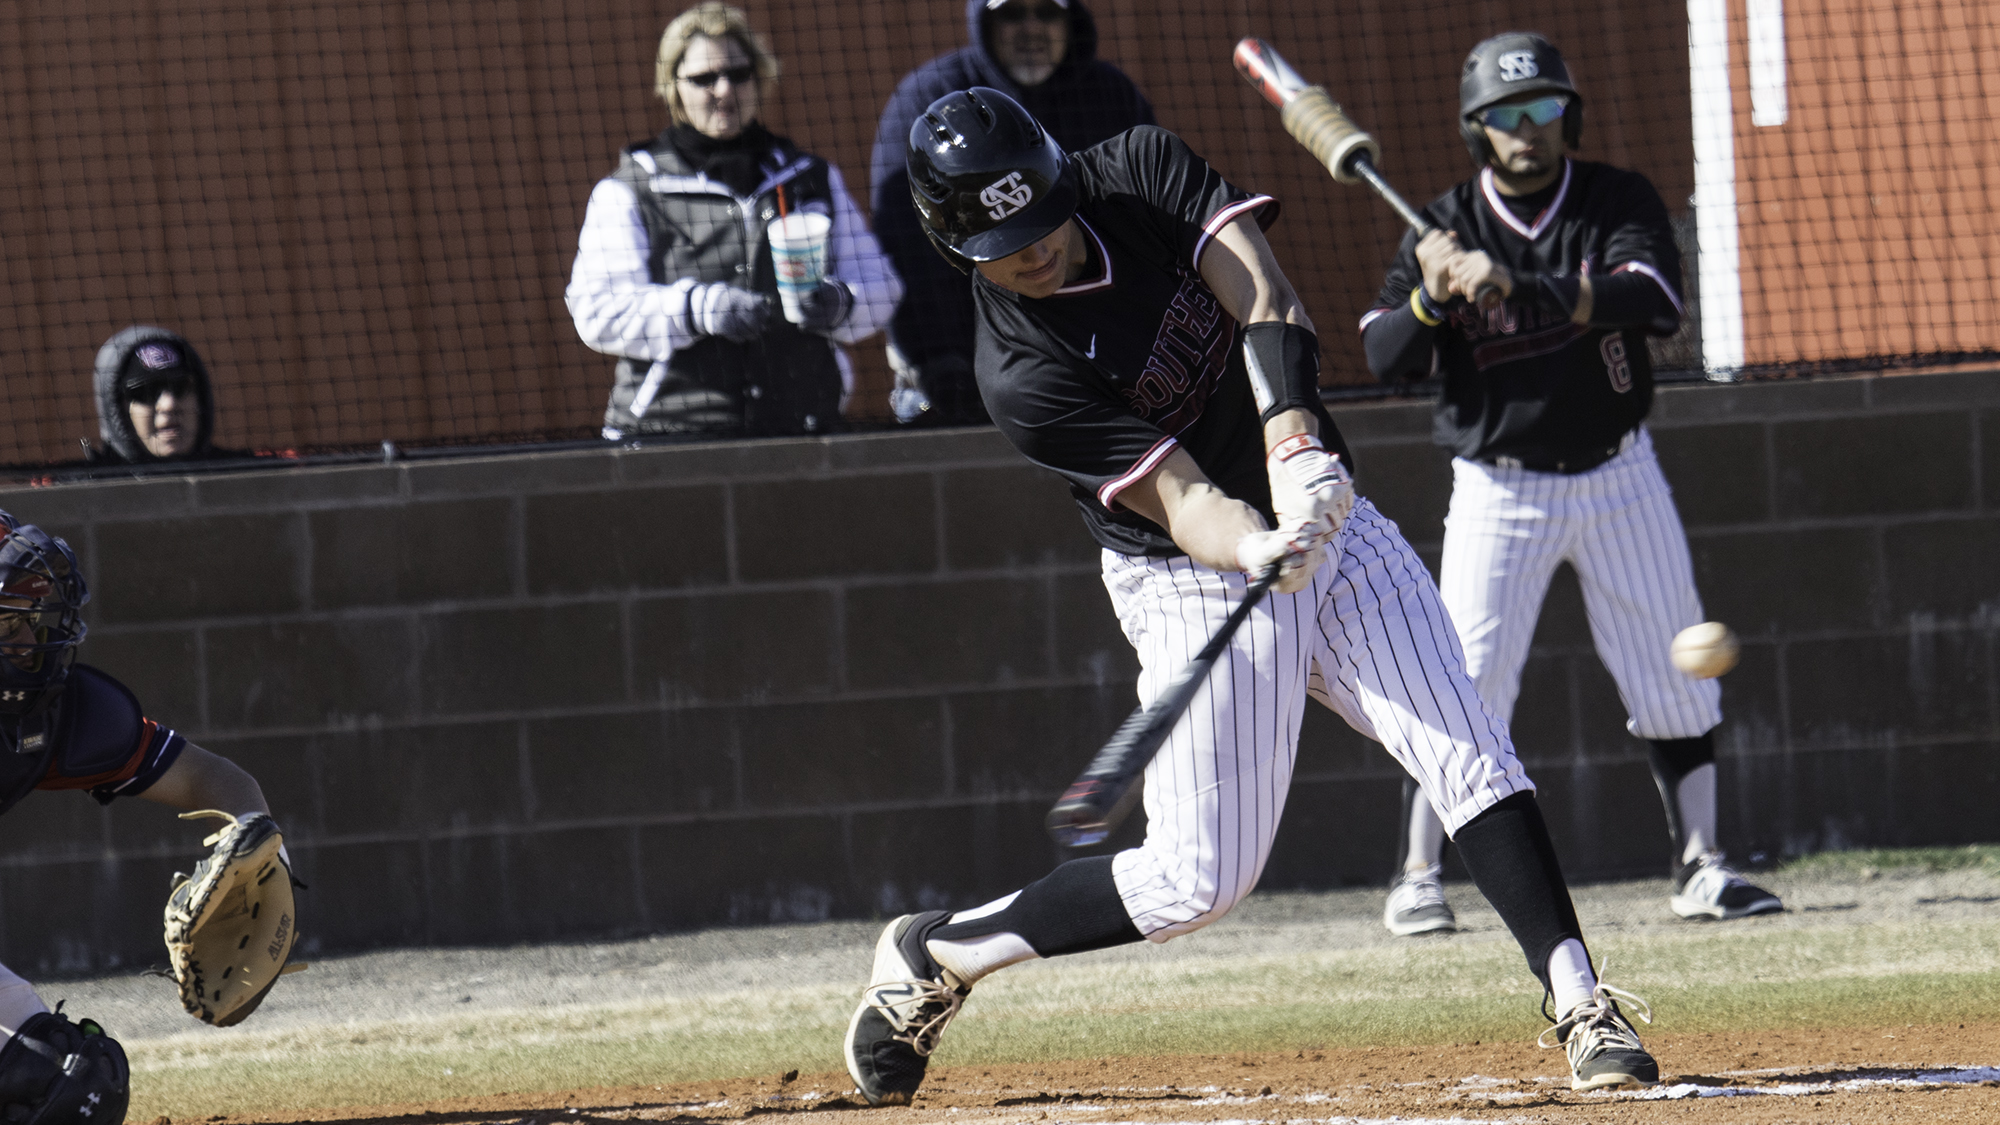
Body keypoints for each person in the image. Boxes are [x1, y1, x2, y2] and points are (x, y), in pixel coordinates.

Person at [841, 87, 1661, 1107]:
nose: (1036, 248)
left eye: (1042, 214)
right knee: (1197, 881)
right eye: (1005, 241)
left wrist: (1296, 447)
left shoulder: (1136, 167)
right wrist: (1255, 543)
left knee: (1466, 748)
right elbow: (1181, 501)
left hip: (1314, 500)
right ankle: (943, 952)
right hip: (1189, 571)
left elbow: (1265, 300)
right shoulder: (1018, 372)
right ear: (956, 244)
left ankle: (1581, 1002)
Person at [1359, 33, 1782, 937]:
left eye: (1543, 109)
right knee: (1459, 679)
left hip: (1619, 471)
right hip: (1497, 487)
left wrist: (1522, 282)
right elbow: (1382, 353)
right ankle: (1418, 874)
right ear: (1479, 129)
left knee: (1672, 666)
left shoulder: (1613, 198)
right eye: (1507, 116)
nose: (1527, 130)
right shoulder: (1439, 227)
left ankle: (1703, 863)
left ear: (1568, 116)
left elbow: (1653, 298)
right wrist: (1435, 299)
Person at [0, 512, 291, 1125]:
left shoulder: (48, 713)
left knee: (62, 1083)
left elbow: (217, 780)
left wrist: (261, 853)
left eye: (30, 616)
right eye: (8, 622)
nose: (29, 639)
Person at [567, 2, 901, 440]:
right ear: (673, 88)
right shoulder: (630, 190)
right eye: (704, 79)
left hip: (802, 427)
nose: (724, 90)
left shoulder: (810, 178)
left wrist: (839, 302)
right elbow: (597, 311)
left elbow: (882, 285)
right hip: (669, 434)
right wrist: (697, 309)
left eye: (739, 74)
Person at [868, 0, 1153, 425]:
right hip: (969, 370)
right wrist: (940, 358)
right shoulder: (932, 102)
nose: (1030, 28)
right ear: (985, 22)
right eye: (1012, 14)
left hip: (1107, 363)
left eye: (1046, 13)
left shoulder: (1111, 99)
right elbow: (908, 246)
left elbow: (1145, 228)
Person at [90, 326, 229, 463]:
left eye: (181, 387)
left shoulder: (241, 474)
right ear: (118, 409)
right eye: (146, 392)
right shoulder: (90, 484)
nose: (169, 405)